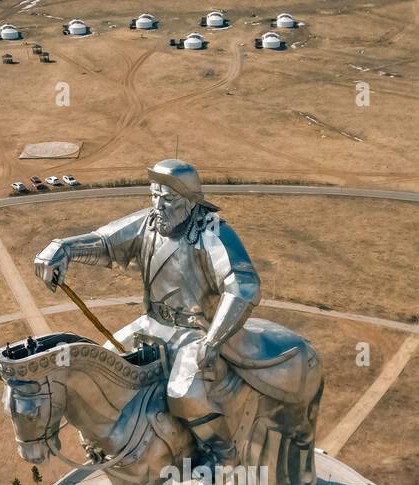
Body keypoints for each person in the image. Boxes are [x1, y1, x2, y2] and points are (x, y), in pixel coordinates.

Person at [33, 159, 259, 468]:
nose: (158, 205)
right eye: (154, 196)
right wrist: (63, 247)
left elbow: (243, 286)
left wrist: (213, 340)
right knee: (100, 362)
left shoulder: (213, 232)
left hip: (195, 330)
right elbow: (104, 242)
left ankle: (221, 453)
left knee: (184, 392)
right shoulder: (148, 223)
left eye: (167, 199)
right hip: (152, 322)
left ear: (191, 201)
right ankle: (102, 440)